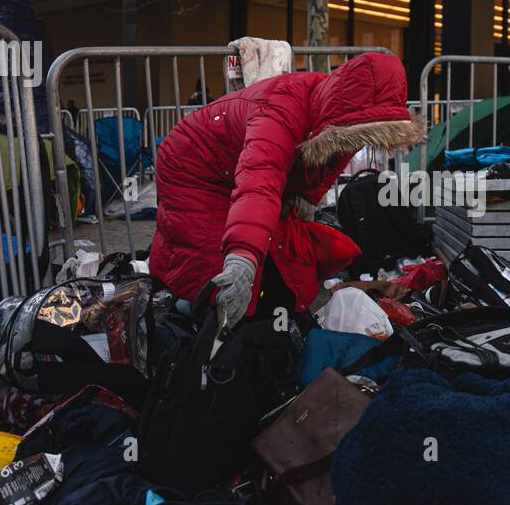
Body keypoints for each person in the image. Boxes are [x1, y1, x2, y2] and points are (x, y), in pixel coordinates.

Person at [149, 52, 426, 328]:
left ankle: (254, 317)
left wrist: (306, 199)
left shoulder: (341, 117)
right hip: (193, 164)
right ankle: (192, 313)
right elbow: (259, 185)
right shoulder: (280, 112)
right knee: (211, 257)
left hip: (233, 166)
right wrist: (244, 257)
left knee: (279, 249)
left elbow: (329, 161)